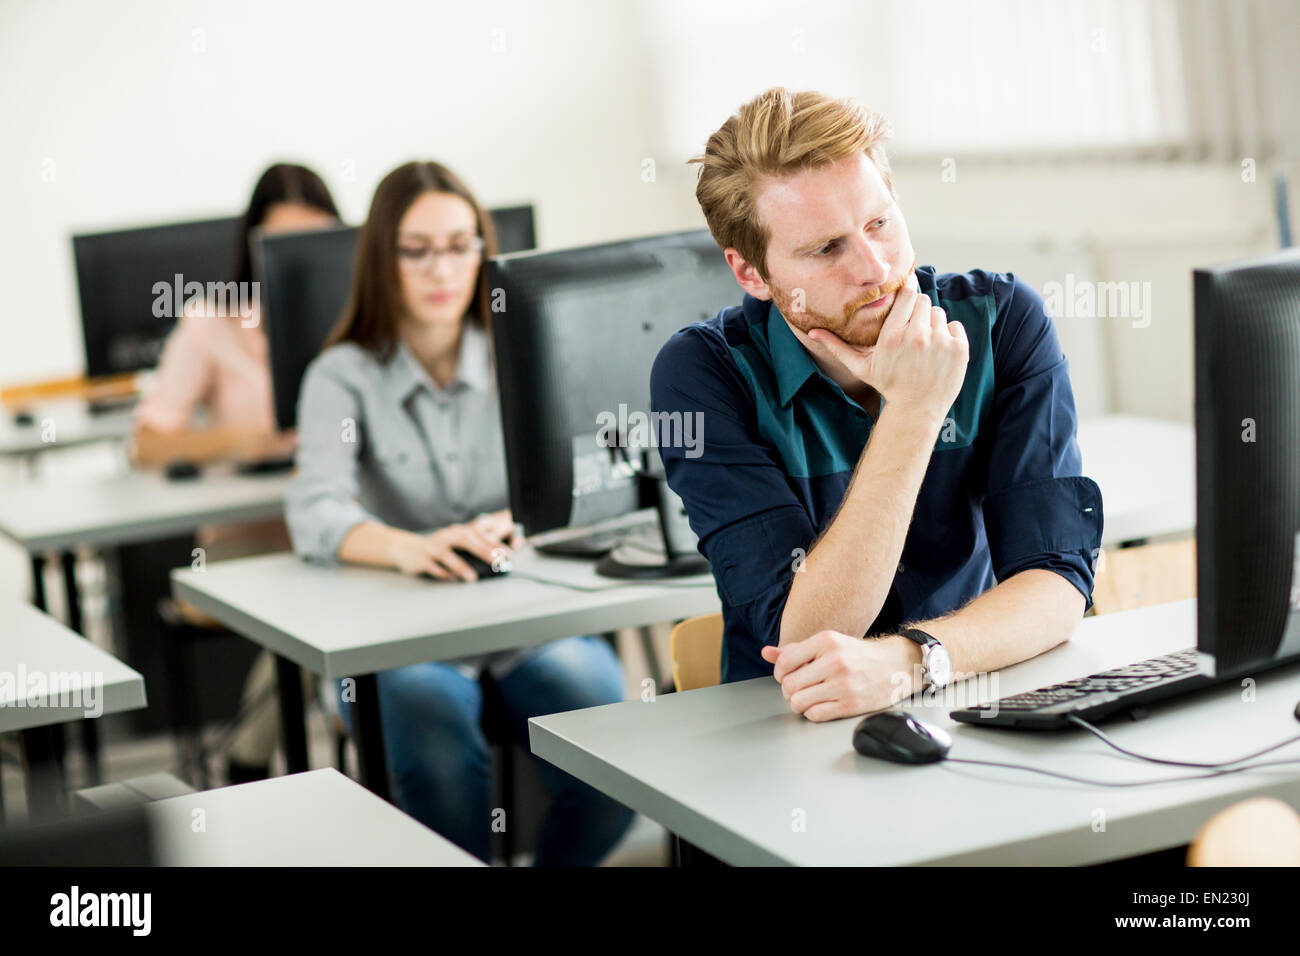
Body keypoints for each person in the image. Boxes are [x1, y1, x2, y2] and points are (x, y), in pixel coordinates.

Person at [650, 88, 1105, 719]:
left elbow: (1057, 583)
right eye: (826, 248)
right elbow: (803, 634)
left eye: (879, 223)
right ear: (751, 273)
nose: (875, 267)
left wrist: (913, 662)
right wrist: (915, 410)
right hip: (786, 733)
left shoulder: (1002, 321)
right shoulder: (704, 375)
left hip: (964, 693)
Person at [285, 160, 634, 865]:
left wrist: (526, 518)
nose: (441, 268)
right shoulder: (341, 374)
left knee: (618, 759)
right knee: (438, 754)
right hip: (404, 642)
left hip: (523, 629)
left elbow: (592, 480)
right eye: (416, 249)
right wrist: (405, 547)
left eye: (460, 244)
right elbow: (315, 508)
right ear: (383, 259)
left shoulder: (523, 353)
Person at [131, 162, 341, 782]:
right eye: (281, 244)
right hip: (246, 543)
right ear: (252, 245)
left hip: (335, 529)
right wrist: (249, 439)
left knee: (339, 588)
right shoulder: (211, 321)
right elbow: (146, 443)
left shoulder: (356, 315)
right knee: (316, 609)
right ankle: (250, 760)